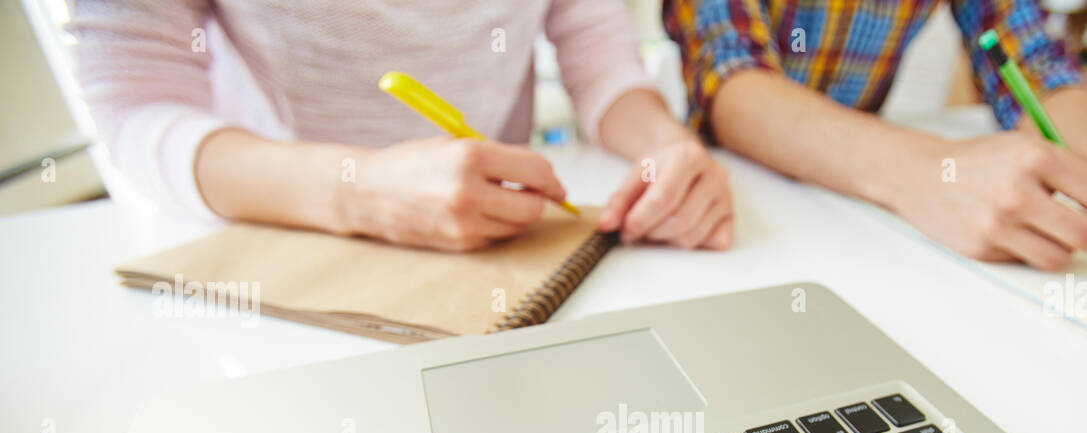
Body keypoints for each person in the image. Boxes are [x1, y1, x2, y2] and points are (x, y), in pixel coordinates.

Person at [664, 0, 1087, 277]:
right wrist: (933, 174)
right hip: (733, 196)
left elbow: (1029, 59)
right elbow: (730, 79)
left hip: (857, 207)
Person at [66, 1, 734, 252]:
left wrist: (670, 148)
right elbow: (135, 109)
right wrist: (361, 189)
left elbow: (603, 67)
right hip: (282, 247)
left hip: (504, 247)